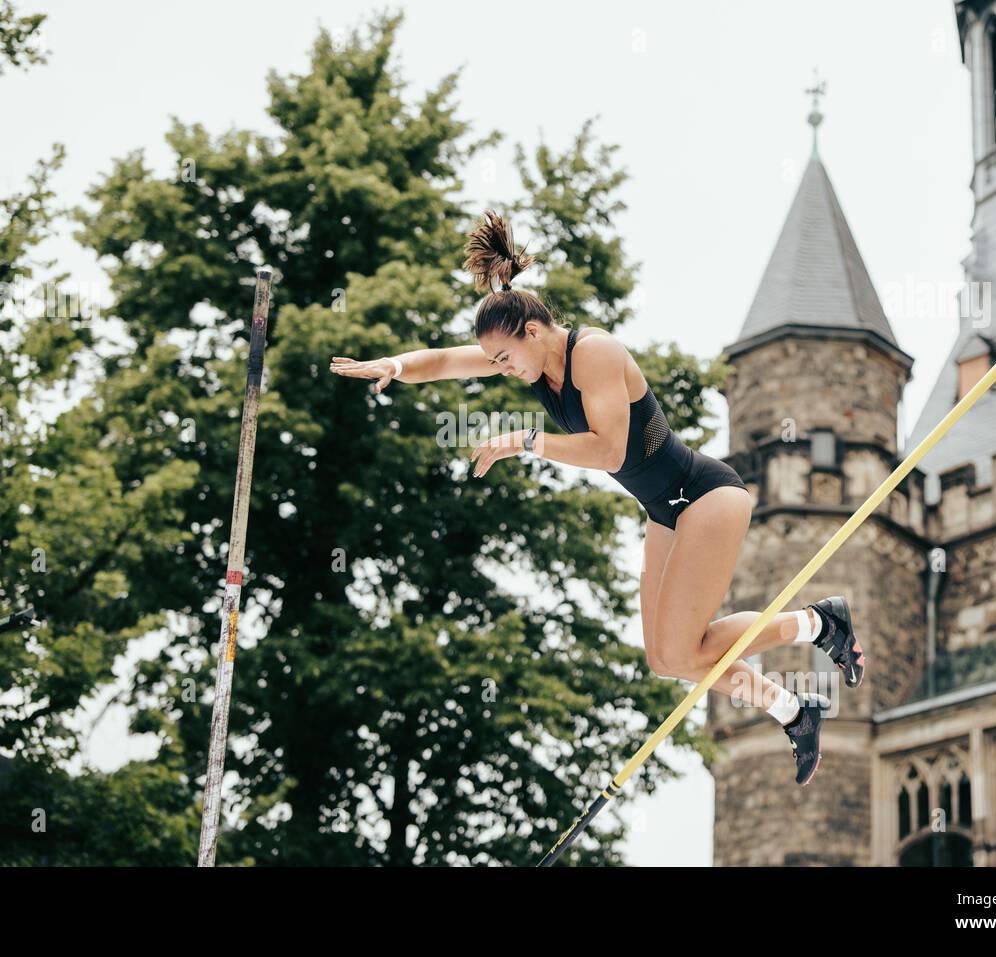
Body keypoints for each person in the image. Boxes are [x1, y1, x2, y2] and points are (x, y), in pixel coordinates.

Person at [329, 211, 866, 785]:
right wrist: (395, 365)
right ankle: (793, 709)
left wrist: (526, 440)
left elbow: (609, 451)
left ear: (532, 332)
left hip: (705, 494)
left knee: (690, 645)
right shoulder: (532, 364)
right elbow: (444, 361)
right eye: (495, 363)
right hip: (664, 510)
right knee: (669, 660)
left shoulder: (595, 353)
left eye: (504, 358)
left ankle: (818, 622)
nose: (501, 371)